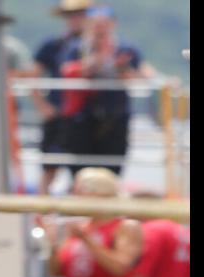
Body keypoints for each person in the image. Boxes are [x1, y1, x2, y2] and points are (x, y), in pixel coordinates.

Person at [58, 6, 153, 177]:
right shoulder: (76, 48)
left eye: (104, 24)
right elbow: (66, 71)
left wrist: (122, 69)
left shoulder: (126, 49)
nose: (99, 28)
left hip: (115, 116)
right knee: (80, 169)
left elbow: (139, 75)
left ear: (113, 25)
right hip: (81, 117)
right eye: (95, 24)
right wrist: (92, 63)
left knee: (112, 168)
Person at [31, 0, 91, 195]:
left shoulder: (98, 47)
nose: (76, 19)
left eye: (81, 14)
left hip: (87, 117)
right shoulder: (53, 45)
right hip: (59, 114)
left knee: (84, 170)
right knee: (50, 166)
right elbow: (34, 75)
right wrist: (43, 106)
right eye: (71, 15)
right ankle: (42, 213)